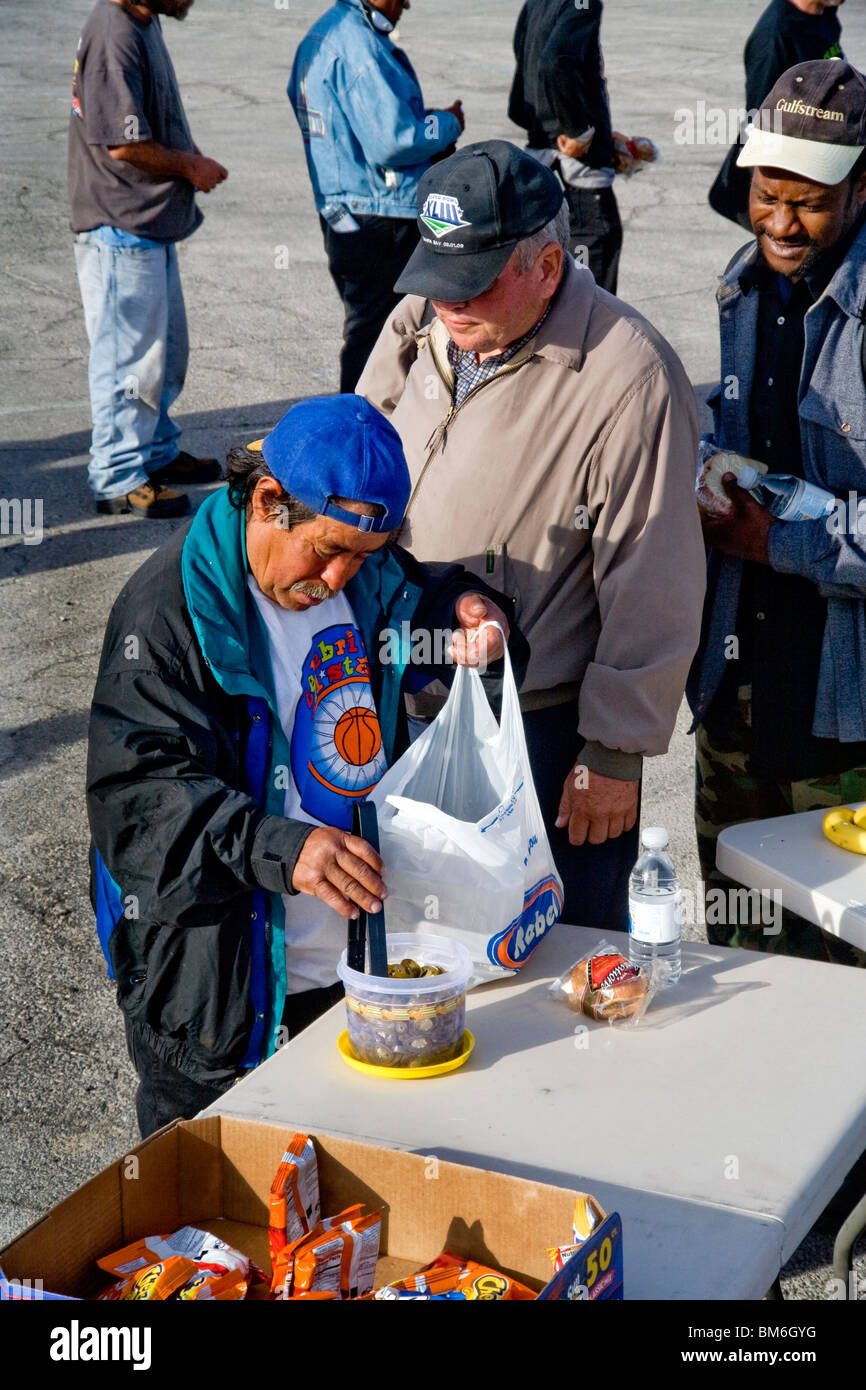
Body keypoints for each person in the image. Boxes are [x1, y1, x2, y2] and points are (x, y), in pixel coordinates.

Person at [86, 394, 523, 1137]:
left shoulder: (364, 582)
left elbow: (421, 595)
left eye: (364, 555)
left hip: (355, 977)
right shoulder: (167, 615)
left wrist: (471, 614)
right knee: (213, 1230)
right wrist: (280, 848)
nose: (340, 577)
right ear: (267, 501)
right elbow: (137, 802)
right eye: (326, 550)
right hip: (219, 995)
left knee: (346, 1228)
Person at [357, 141, 705, 934]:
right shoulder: (425, 321)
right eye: (434, 276)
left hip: (536, 734)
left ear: (547, 268)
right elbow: (364, 447)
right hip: (395, 695)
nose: (446, 303)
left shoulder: (630, 375)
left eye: (470, 282)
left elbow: (657, 577)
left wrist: (614, 754)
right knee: (419, 949)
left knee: (555, 964)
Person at [688, 60, 866, 967]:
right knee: (740, 961)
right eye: (767, 191)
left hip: (845, 715)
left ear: (864, 185)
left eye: (811, 203)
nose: (781, 223)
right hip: (737, 690)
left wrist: (779, 540)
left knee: (840, 976)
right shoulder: (745, 280)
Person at [69, 0, 228, 520]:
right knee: (128, 361)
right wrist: (192, 166)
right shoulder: (115, 33)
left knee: (165, 354)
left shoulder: (143, 19)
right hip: (120, 226)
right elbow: (122, 143)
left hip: (149, 223)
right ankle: (118, 475)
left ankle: (155, 454)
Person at [288, 0, 464, 392]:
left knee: (373, 328)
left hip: (347, 207)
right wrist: (448, 123)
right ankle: (363, 436)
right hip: (378, 215)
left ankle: (368, 430)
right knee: (381, 336)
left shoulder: (329, 32)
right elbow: (394, 141)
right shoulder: (357, 43)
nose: (406, 4)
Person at [508, 0, 622, 293]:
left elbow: (524, 63)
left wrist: (602, 137)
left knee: (551, 282)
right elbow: (555, 61)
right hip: (578, 180)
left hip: (542, 166)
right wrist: (578, 131)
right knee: (589, 292)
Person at [709, 0, 845, 227]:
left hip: (821, 159)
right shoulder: (775, 37)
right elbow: (762, 121)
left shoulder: (824, 13)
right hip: (787, 176)